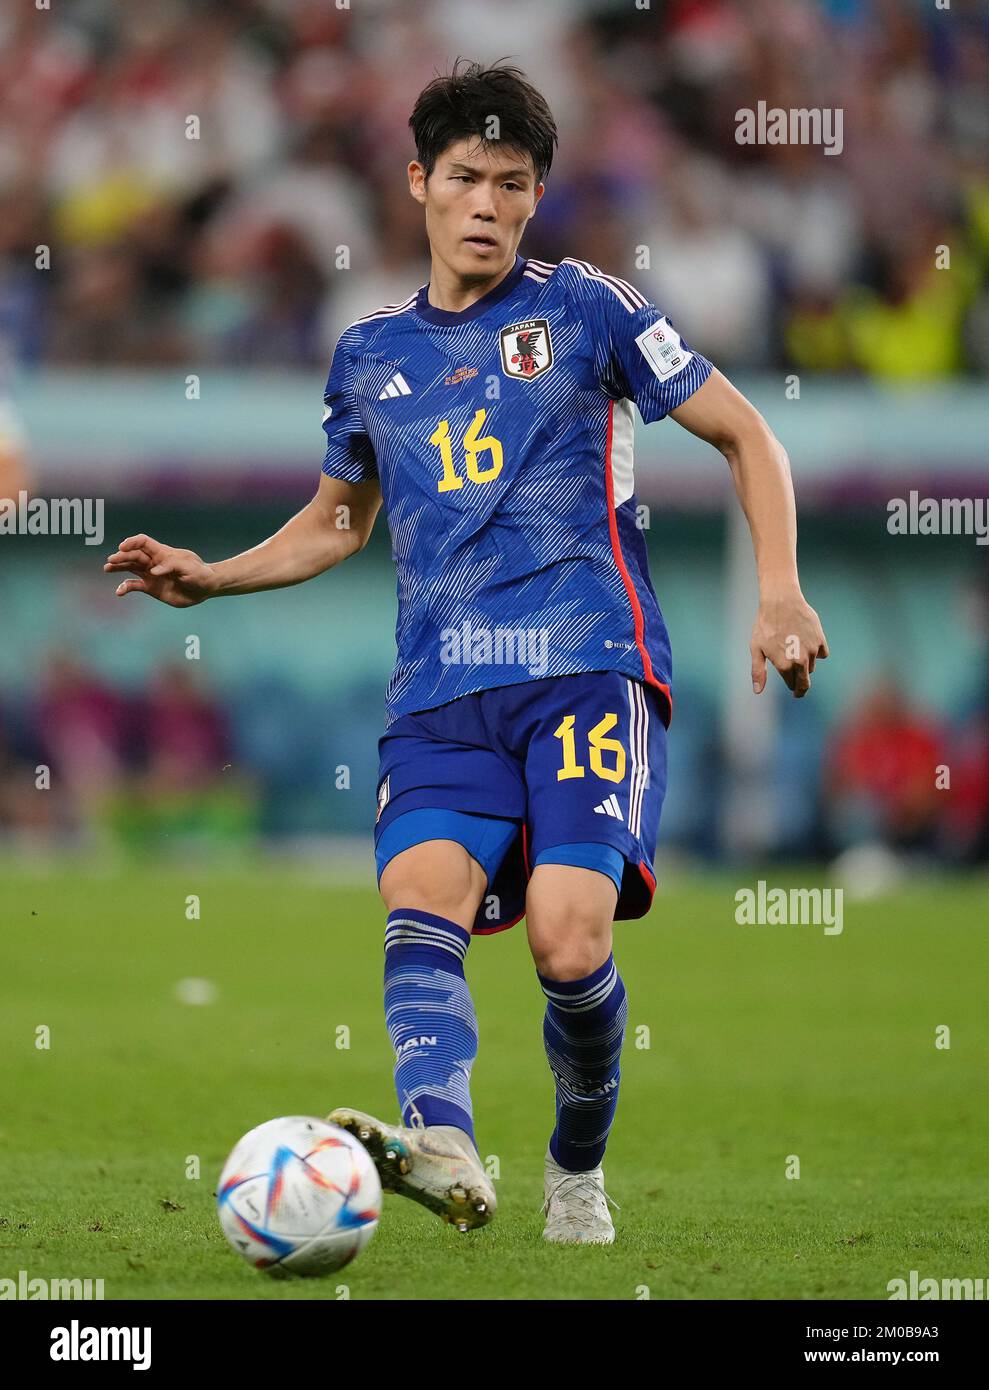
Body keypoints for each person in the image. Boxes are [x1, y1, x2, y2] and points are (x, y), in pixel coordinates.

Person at [104, 61, 828, 1246]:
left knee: (566, 939)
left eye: (510, 183)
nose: (486, 204)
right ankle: (440, 1140)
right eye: (463, 179)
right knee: (418, 898)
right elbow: (339, 520)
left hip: (586, 663)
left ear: (535, 195)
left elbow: (745, 434)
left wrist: (780, 588)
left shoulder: (586, 308)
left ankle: (575, 1170)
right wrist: (214, 575)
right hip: (441, 690)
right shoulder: (367, 352)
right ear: (417, 183)